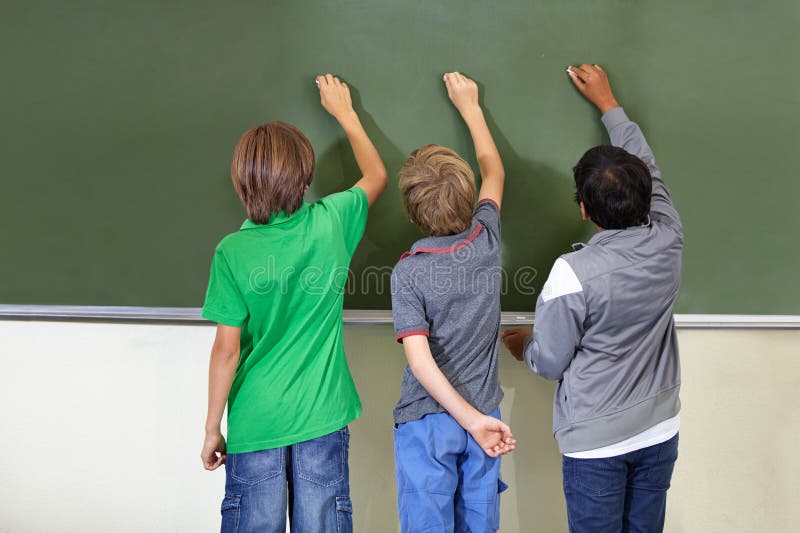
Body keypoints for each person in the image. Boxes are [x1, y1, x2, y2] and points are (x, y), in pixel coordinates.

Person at [199, 74, 387, 533]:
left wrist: (211, 428)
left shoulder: (231, 252)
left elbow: (227, 349)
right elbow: (377, 175)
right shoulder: (332, 223)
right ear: (305, 178)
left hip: (255, 420)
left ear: (241, 181)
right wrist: (345, 113)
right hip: (322, 416)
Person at [503, 64, 683, 533]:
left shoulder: (572, 273)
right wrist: (610, 105)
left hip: (596, 441)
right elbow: (651, 168)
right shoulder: (669, 238)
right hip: (659, 426)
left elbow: (549, 363)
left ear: (584, 209)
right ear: (648, 194)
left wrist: (524, 343)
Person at [391, 72, 515, 533]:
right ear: (469, 197)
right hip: (483, 416)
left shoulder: (409, 272)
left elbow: (420, 363)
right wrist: (471, 107)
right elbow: (494, 171)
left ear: (410, 212)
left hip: (426, 423)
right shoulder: (486, 238)